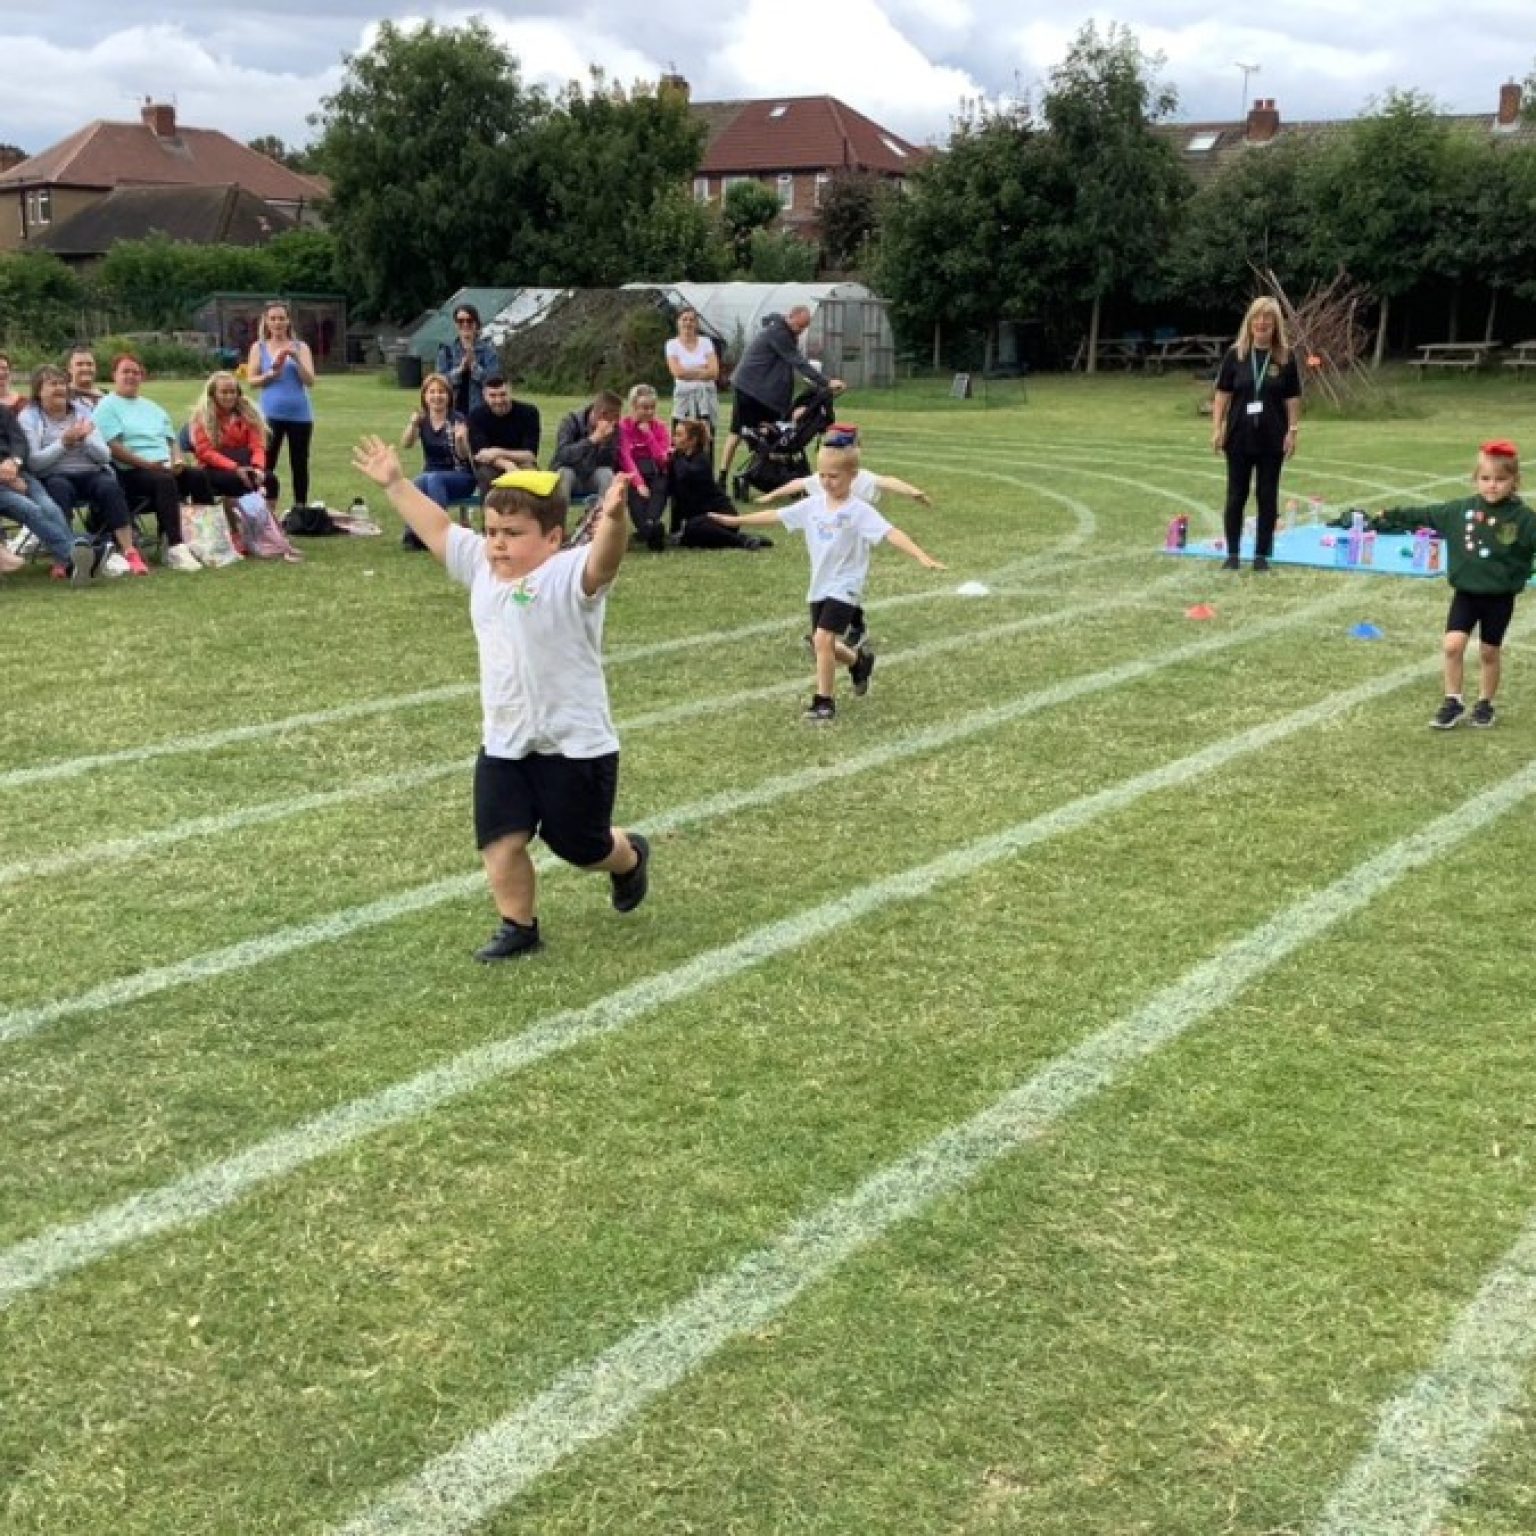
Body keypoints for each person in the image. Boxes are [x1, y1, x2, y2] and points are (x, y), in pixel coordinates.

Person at [349, 439, 652, 961]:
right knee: (500, 839)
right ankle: (518, 926)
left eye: (513, 534)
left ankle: (629, 858)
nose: (498, 544)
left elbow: (605, 561)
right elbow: (438, 528)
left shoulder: (568, 573)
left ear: (552, 537)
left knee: (581, 847)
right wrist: (396, 484)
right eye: (492, 532)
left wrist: (615, 520)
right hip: (505, 740)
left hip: (573, 743)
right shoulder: (481, 568)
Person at [710, 441, 945, 721]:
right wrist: (733, 521)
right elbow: (776, 516)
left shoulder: (859, 510)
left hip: (846, 585)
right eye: (822, 475)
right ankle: (859, 662)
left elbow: (891, 533)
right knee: (823, 644)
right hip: (819, 585)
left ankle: (824, 702)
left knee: (822, 639)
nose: (826, 481)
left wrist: (922, 556)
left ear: (852, 476)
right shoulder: (812, 505)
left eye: (834, 476)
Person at [1365, 440, 1536, 730]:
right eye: (1485, 478)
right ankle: (1452, 700)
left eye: (1500, 479)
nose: (1492, 485)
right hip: (1466, 594)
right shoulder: (1459, 511)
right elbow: (1425, 514)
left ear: (1514, 482)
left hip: (1499, 598)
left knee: (1489, 652)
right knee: (1452, 646)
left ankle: (1485, 703)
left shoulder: (1524, 519)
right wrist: (1391, 514)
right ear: (1475, 479)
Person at [20, 364, 147, 575]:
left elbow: (104, 456)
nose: (59, 388)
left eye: (62, 383)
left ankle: (129, 550)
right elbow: (34, 463)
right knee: (58, 488)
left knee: (109, 486)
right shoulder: (29, 417)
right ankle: (64, 556)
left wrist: (86, 439)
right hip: (54, 474)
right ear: (39, 391)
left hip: (91, 472)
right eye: (52, 384)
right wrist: (63, 444)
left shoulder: (83, 412)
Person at [94, 355, 213, 571]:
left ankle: (205, 537)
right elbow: (113, 447)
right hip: (130, 472)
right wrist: (147, 465)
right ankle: (174, 546)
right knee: (164, 480)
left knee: (197, 476)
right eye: (125, 371)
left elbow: (171, 440)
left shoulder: (152, 407)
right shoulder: (106, 407)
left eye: (136, 372)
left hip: (163, 466)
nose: (131, 376)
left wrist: (177, 459)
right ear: (114, 376)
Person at [1210, 296, 1301, 572]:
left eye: (1268, 318)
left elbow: (1293, 398)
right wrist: (1217, 428)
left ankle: (1261, 555)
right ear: (1250, 322)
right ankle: (1233, 554)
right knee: (1236, 494)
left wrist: (1293, 431)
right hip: (1239, 436)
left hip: (1272, 437)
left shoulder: (1285, 357)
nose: (1262, 323)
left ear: (1275, 324)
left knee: (1267, 495)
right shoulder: (1235, 355)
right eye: (1257, 317)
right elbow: (1222, 396)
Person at [719, 305, 845, 489]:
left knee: (770, 436)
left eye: (804, 327)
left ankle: (761, 476)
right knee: (738, 432)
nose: (800, 330)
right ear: (790, 316)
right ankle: (722, 477)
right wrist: (826, 382)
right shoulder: (778, 332)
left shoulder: (787, 333)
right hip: (749, 388)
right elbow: (797, 361)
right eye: (799, 326)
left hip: (766, 394)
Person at [0, 393, 97, 583]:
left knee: (50, 508)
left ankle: (74, 560)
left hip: (18, 473)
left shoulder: (2, 412)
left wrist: (14, 463)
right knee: (30, 509)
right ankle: (77, 557)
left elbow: (19, 442)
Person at [246, 300, 316, 510]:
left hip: (300, 415)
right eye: (273, 319)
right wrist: (270, 375)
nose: (277, 323)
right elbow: (251, 381)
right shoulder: (258, 348)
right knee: (266, 462)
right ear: (266, 322)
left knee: (299, 463)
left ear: (288, 321)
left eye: (281, 318)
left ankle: (300, 508)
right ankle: (263, 508)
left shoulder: (301, 347)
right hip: (270, 415)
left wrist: (296, 359)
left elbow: (310, 381)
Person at [666, 419, 771, 551]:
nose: (674, 438)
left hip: (724, 516)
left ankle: (742, 541)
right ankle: (744, 538)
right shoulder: (680, 460)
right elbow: (676, 497)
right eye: (675, 434)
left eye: (679, 435)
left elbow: (684, 474)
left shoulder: (701, 461)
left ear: (692, 440)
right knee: (690, 533)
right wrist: (674, 530)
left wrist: (675, 455)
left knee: (693, 528)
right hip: (702, 520)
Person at [400, 371, 475, 549]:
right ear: (425, 396)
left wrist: (460, 440)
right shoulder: (422, 420)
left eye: (441, 392)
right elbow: (406, 444)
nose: (437, 396)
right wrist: (413, 424)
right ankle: (413, 534)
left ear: (449, 396)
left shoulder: (457, 419)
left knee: (434, 478)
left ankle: (439, 533)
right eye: (432, 392)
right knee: (416, 483)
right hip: (430, 475)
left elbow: (464, 456)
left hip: (460, 476)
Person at [189, 371, 280, 503]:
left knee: (270, 479)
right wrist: (235, 468)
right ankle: (238, 514)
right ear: (213, 394)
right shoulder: (202, 417)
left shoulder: (249, 415)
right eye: (224, 392)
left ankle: (267, 515)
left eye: (232, 392)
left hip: (245, 464)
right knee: (236, 481)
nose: (229, 396)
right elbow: (205, 452)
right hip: (213, 467)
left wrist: (258, 468)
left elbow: (258, 447)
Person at [618, 384, 671, 552]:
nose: (649, 412)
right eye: (644, 408)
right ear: (633, 407)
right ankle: (651, 529)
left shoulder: (660, 427)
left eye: (652, 407)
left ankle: (649, 526)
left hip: (655, 471)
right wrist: (639, 483)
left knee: (661, 484)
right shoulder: (623, 427)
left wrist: (648, 436)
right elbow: (625, 457)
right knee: (633, 490)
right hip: (633, 473)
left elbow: (663, 460)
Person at [467, 375, 540, 493]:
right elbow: (481, 455)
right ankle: (492, 505)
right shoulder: (476, 415)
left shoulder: (529, 413)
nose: (499, 400)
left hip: (522, 463)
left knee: (530, 472)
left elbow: (530, 455)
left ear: (510, 392)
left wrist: (498, 452)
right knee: (486, 474)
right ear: (484, 396)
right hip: (490, 465)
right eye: (493, 396)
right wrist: (507, 465)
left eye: (503, 394)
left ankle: (527, 506)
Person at [550, 391, 621, 506]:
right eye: (616, 416)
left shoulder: (614, 429)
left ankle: (600, 515)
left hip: (592, 476)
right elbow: (562, 456)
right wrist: (592, 440)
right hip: (570, 474)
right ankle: (558, 516)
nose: (618, 420)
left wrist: (604, 444)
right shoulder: (570, 422)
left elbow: (609, 464)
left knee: (607, 474)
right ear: (603, 414)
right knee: (564, 474)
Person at [436, 303, 500, 417]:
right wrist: (460, 370)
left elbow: (495, 384)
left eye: (469, 320)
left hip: (481, 413)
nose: (465, 324)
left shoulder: (489, 352)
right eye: (460, 321)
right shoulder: (446, 351)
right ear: (456, 324)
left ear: (476, 323)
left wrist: (474, 367)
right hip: (452, 413)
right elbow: (439, 384)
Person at [665, 307, 720, 441]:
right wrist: (702, 369)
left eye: (692, 320)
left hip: (706, 398)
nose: (688, 323)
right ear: (678, 322)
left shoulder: (706, 342)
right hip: (683, 398)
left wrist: (688, 370)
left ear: (696, 323)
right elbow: (678, 372)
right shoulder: (672, 344)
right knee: (681, 440)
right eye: (684, 319)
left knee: (706, 441)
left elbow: (714, 372)